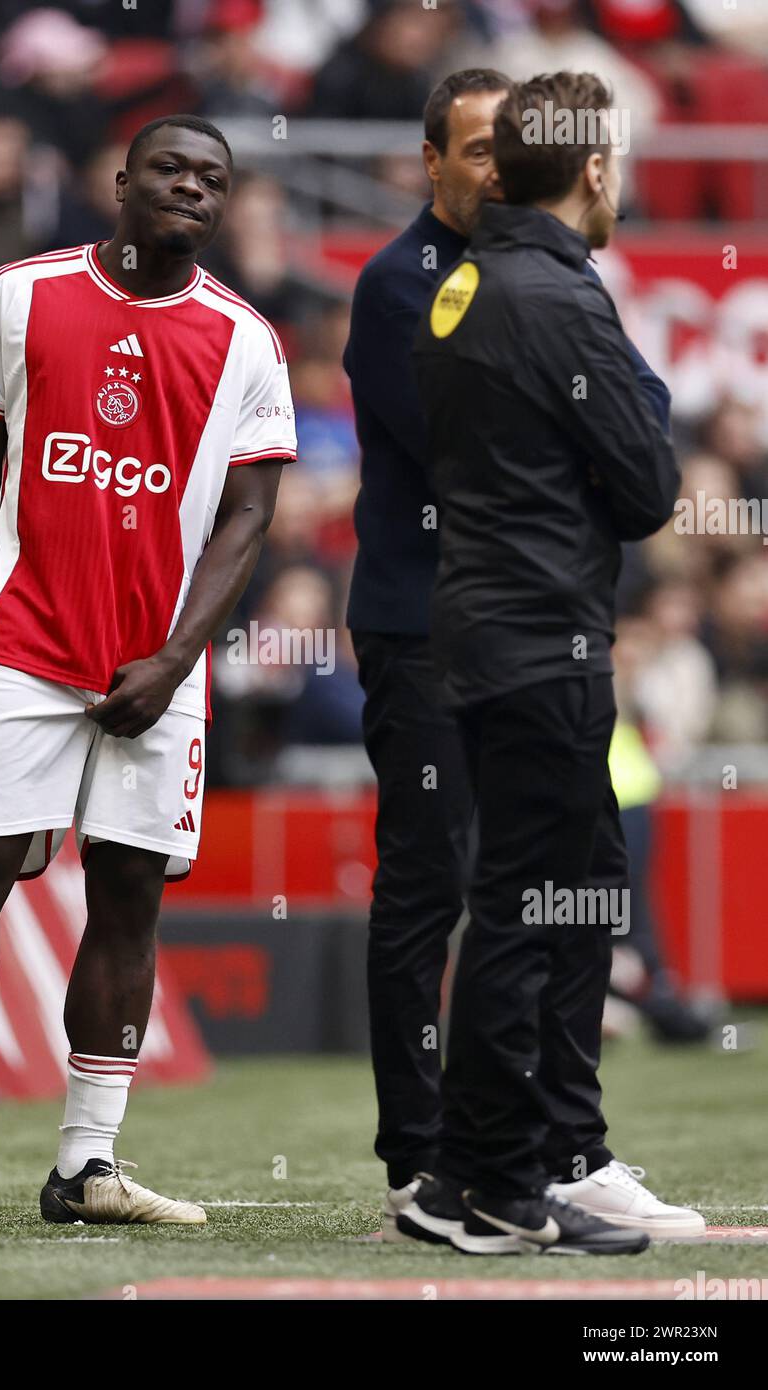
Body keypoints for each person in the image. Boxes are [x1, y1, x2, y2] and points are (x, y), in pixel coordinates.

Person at [0, 114, 297, 1228]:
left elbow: (249, 517)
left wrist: (176, 659)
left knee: (128, 893)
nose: (192, 187)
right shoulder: (19, 294)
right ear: (120, 179)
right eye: (171, 168)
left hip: (157, 667)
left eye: (213, 179)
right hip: (22, 644)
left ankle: (86, 1166)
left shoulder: (247, 340)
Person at [344, 68, 684, 1243]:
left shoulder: (492, 283)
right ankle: (452, 1163)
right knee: (469, 894)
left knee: (550, 889)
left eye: (507, 149)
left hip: (504, 622)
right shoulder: (441, 286)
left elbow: (610, 425)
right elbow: (635, 465)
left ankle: (542, 1149)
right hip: (476, 625)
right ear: (432, 156)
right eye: (476, 148)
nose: (492, 171)